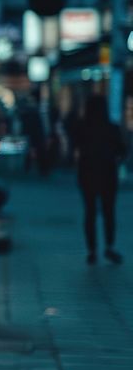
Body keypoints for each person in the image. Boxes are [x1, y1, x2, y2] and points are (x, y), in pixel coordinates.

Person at [73, 95, 126, 264]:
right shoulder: (112, 128)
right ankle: (109, 247)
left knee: (90, 212)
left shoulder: (82, 127)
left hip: (87, 173)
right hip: (108, 174)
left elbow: (75, 148)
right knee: (108, 211)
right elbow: (123, 151)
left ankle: (92, 250)